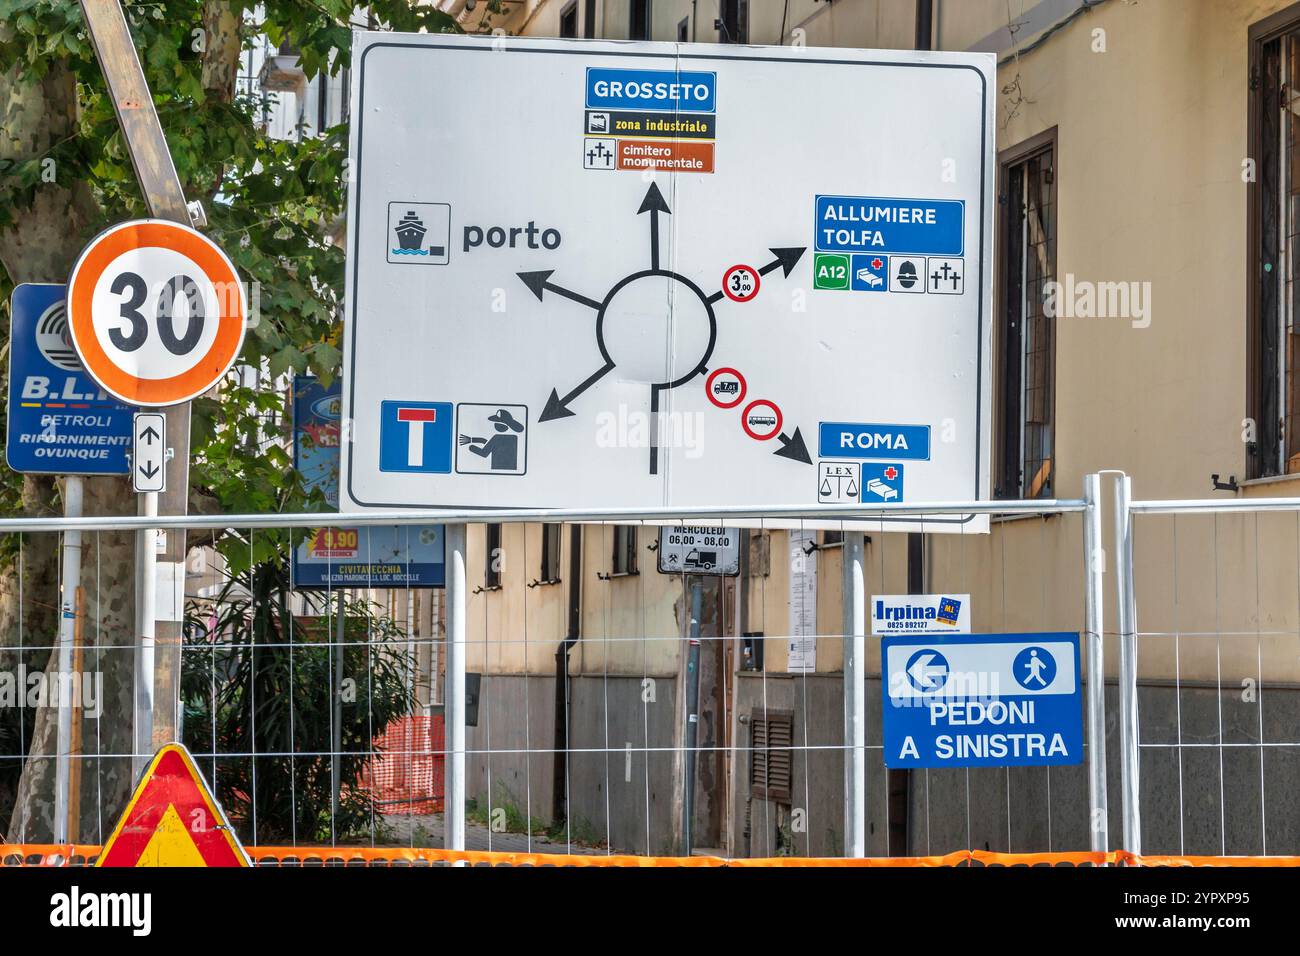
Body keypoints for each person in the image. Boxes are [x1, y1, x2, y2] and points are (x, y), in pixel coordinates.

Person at [459, 408, 524, 470]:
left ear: (501, 426)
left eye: (496, 424)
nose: (494, 425)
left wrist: (471, 447)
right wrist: (472, 440)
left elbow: (484, 453)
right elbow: (490, 444)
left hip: (498, 468)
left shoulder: (497, 438)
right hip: (511, 467)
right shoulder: (513, 438)